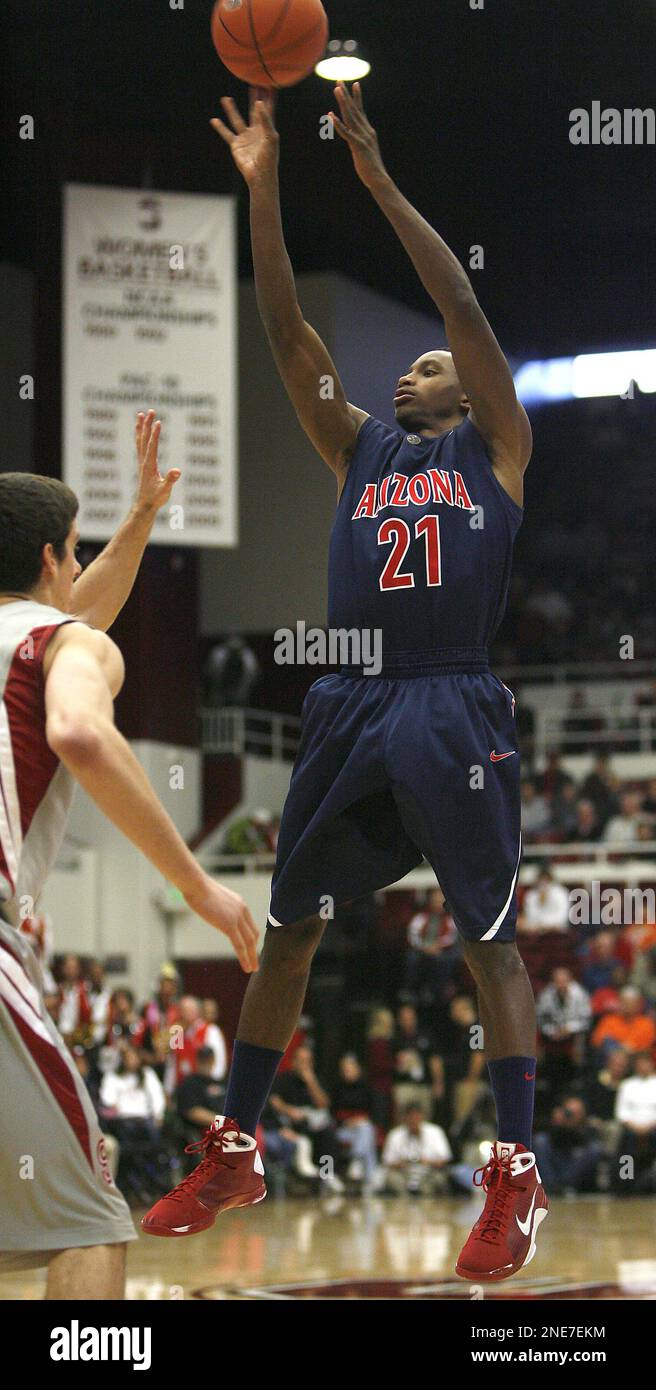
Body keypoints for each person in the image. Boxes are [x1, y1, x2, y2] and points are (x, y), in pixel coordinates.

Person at [147, 83, 547, 1287]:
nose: (410, 373)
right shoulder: (356, 450)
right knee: (287, 930)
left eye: (430, 368)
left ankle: (513, 1173)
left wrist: (373, 180)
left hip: (447, 698)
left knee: (487, 947)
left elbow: (461, 302)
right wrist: (266, 187)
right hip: (350, 702)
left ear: (468, 394)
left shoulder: (500, 451)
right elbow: (283, 335)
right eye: (409, 369)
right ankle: (235, 1144)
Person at [0, 413, 259, 1299]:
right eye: (74, 551)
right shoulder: (63, 646)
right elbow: (74, 721)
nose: (79, 569)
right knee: (89, 1217)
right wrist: (195, 884)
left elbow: (67, 615)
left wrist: (140, 515)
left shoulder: (41, 632)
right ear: (47, 556)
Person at [533, 1099, 602, 1195]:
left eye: (576, 1113)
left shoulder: (587, 1126)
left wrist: (576, 1127)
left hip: (574, 1161)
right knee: (540, 1141)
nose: (571, 1116)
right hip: (555, 1160)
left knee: (594, 1149)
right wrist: (556, 1123)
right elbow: (545, 1134)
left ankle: (565, 1187)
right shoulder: (557, 1122)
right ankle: (550, 1186)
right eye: (568, 1112)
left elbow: (590, 1141)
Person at [380, 1102, 452, 1195]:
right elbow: (387, 1161)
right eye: (410, 1117)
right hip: (404, 1174)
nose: (413, 1120)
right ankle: (403, 1203)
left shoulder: (435, 1132)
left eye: (416, 1116)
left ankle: (427, 1202)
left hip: (428, 1173)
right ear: (405, 1117)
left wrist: (428, 1162)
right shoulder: (395, 1134)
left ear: (422, 1116)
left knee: (438, 1179)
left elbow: (445, 1159)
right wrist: (401, 1164)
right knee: (392, 1179)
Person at [613, 1052, 656, 1193]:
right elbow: (621, 1112)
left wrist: (649, 1126)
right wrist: (635, 1127)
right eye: (640, 1063)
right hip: (631, 1128)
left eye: (646, 1063)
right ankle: (626, 1182)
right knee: (627, 1144)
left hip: (653, 1127)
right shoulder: (627, 1085)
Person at [518, 868, 570, 934]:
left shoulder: (561, 893)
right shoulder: (531, 895)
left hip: (557, 933)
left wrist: (544, 925)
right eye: (541, 880)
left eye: (546, 880)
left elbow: (562, 918)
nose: (543, 884)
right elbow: (530, 917)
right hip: (535, 933)